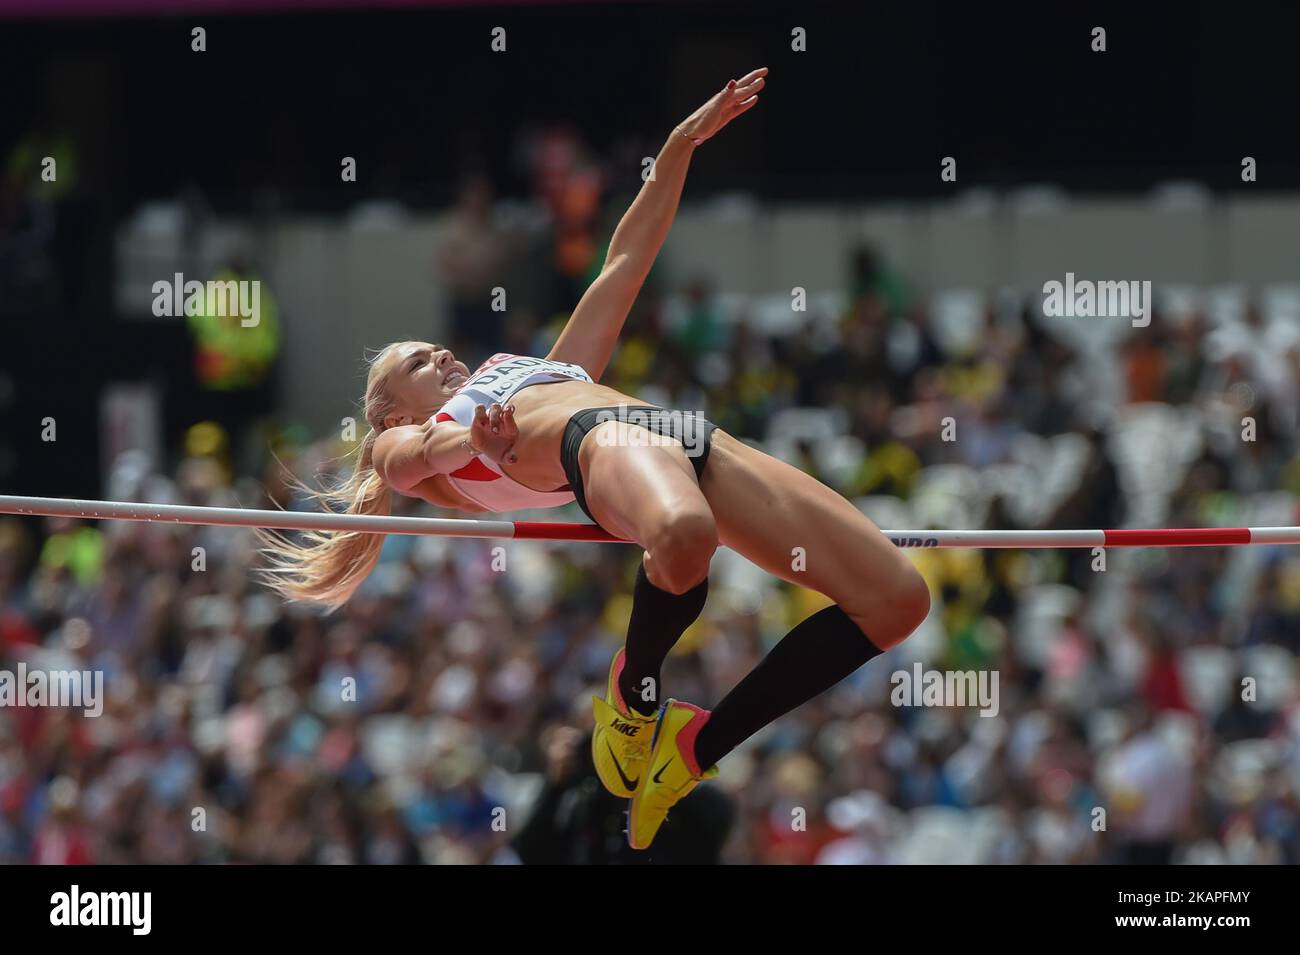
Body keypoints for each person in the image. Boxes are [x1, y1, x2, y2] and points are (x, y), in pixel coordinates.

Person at [261, 69, 931, 850]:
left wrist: (678, 147)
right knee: (682, 534)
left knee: (897, 600)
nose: (439, 353)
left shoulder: (535, 370)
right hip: (603, 448)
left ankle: (693, 749)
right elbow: (411, 459)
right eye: (418, 359)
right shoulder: (409, 435)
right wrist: (467, 440)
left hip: (680, 434)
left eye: (434, 347)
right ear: (389, 406)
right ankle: (632, 694)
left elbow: (624, 261)